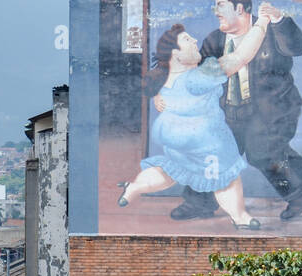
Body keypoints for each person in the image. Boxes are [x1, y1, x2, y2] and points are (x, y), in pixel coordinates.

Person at [117, 12, 275, 230]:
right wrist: (262, 23)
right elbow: (240, 57)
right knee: (226, 176)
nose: (194, 41)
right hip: (205, 142)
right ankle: (240, 216)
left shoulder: (163, 79)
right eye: (186, 40)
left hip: (176, 142)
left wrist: (157, 96)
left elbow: (155, 89)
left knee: (170, 171)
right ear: (177, 55)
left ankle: (134, 187)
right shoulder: (198, 77)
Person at [163, 1, 302, 223]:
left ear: (240, 9)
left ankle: (301, 195)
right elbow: (198, 72)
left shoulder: (272, 31)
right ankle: (199, 202)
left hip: (271, 108)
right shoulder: (215, 40)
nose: (216, 12)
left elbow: (298, 47)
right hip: (229, 109)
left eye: (221, 5)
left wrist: (279, 20)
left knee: (262, 151)